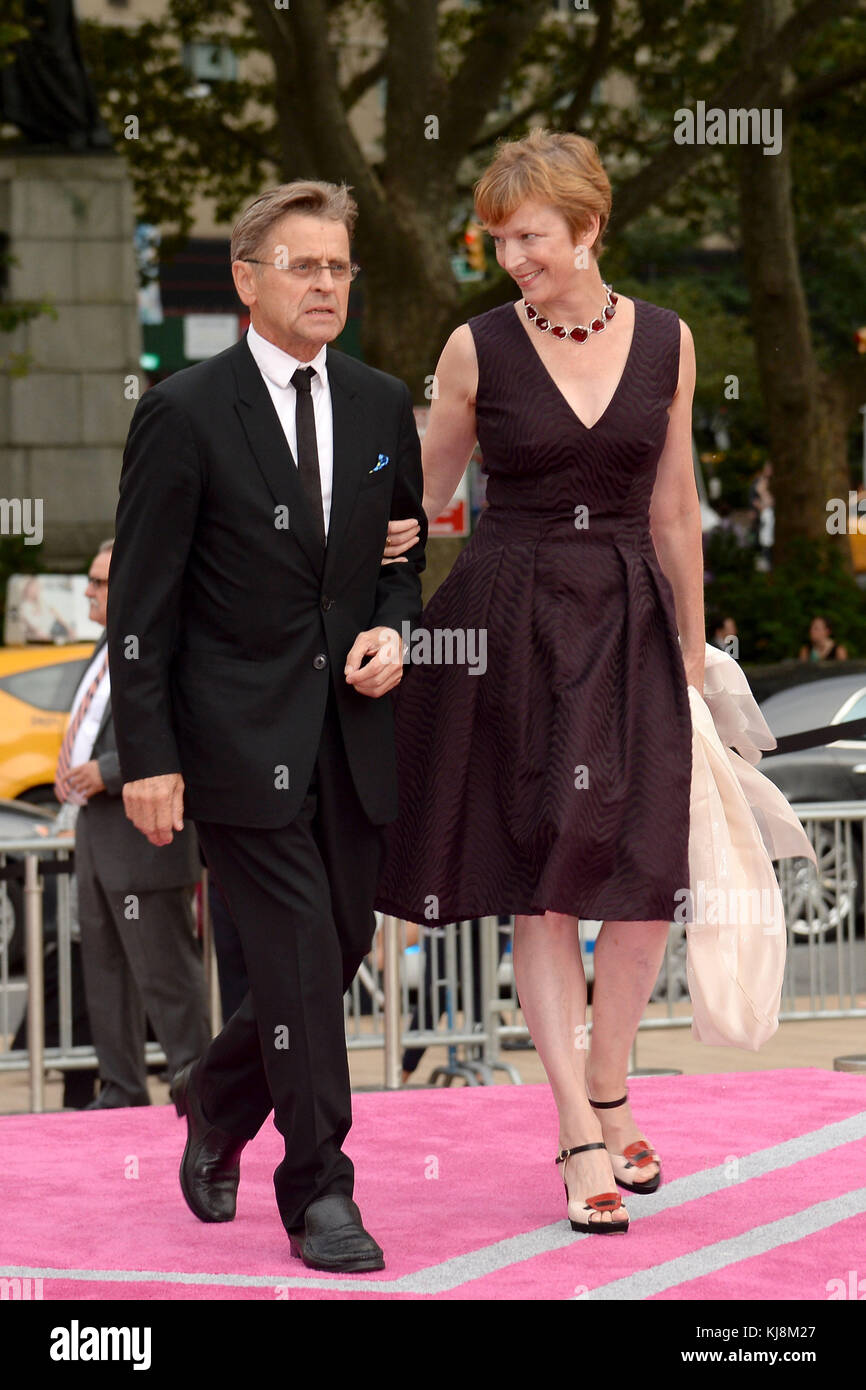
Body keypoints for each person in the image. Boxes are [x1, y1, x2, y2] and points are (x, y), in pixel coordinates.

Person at [376, 129, 705, 1236]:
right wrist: (378, 619)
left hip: (630, 616)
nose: (512, 256)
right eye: (501, 238)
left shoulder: (666, 340)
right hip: (511, 619)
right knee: (547, 882)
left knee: (645, 882)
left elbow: (670, 511)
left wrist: (695, 654)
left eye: (530, 237)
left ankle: (608, 1078)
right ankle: (574, 1129)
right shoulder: (474, 348)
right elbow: (418, 506)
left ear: (587, 228)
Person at [106, 181, 427, 1272]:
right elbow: (141, 606)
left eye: (339, 266)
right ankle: (319, 1186)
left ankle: (213, 1097)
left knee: (331, 949)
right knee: (294, 947)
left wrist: (396, 630)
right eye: (304, 265)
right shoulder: (185, 409)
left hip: (354, 737)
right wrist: (144, 758)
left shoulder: (384, 405)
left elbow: (400, 559)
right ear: (247, 280)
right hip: (236, 739)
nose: (327, 283)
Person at [55, 541, 209, 1109]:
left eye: (99, 582)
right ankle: (119, 1089)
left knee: (167, 974)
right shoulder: (106, 644)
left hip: (148, 834)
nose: (90, 592)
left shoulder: (166, 640)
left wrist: (108, 771)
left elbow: (191, 729)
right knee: (103, 967)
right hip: (96, 830)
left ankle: (199, 1091)